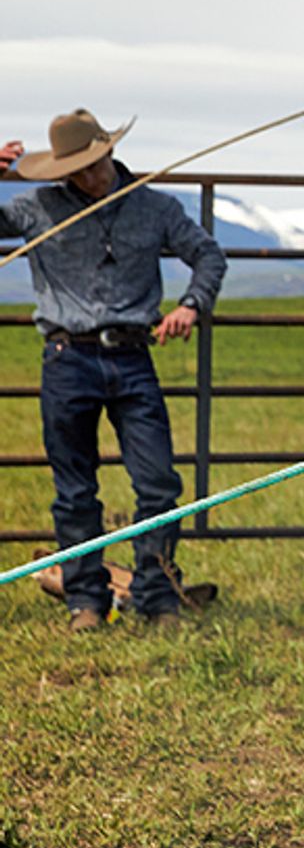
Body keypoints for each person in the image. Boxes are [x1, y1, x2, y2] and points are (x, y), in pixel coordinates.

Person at [2, 109, 227, 627]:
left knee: (158, 484)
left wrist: (192, 303)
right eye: (73, 171)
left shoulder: (153, 207)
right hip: (67, 358)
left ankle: (157, 596)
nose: (85, 178)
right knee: (75, 488)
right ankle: (86, 600)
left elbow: (208, 256)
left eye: (91, 166)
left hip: (132, 357)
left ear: (108, 154)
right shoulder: (35, 207)